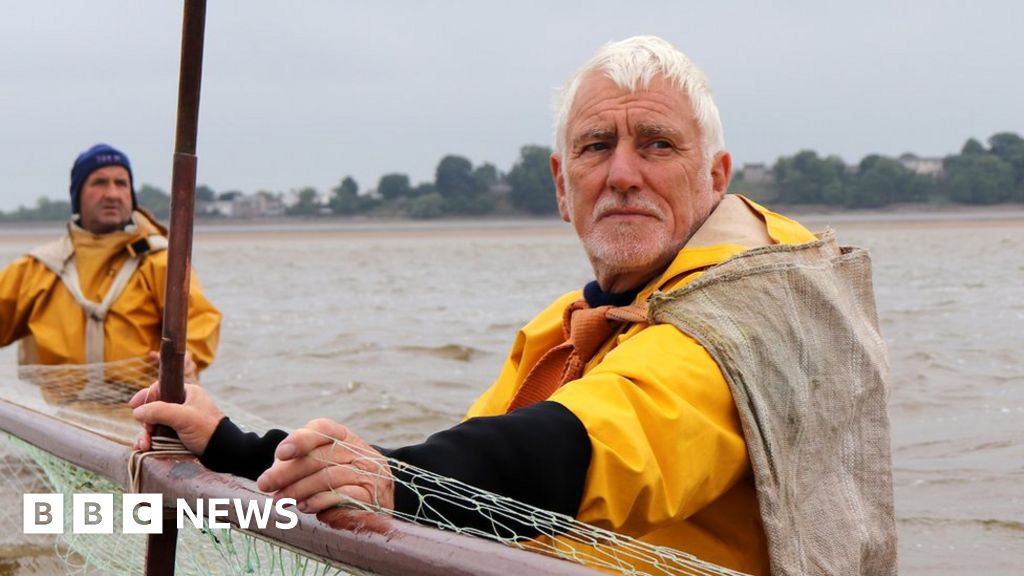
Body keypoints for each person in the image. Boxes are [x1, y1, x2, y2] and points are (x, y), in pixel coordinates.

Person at [131, 36, 896, 575]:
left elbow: (583, 449)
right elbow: (463, 467)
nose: (624, 172)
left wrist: (392, 485)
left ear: (715, 176)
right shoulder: (572, 324)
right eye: (597, 147)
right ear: (562, 188)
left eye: (658, 144)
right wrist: (233, 447)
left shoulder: (746, 326)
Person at [0, 143, 221, 398]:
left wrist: (187, 357)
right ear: (77, 195)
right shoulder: (38, 269)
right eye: (99, 183)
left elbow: (201, 320)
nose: (112, 194)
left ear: (132, 195)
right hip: (56, 421)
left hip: (142, 417)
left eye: (121, 183)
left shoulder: (161, 263)